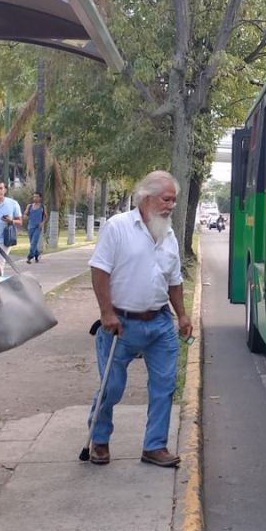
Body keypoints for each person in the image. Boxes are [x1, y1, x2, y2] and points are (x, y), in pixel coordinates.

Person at [85, 171, 193, 468]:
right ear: (146, 197)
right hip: (120, 324)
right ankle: (99, 439)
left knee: (164, 385)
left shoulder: (169, 234)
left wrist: (182, 315)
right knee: (112, 387)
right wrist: (106, 312)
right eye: (166, 199)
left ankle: (154, 446)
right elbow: (99, 270)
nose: (171, 206)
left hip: (160, 323)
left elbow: (174, 281)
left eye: (173, 200)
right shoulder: (117, 227)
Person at [24, 192, 47, 264]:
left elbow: (45, 216)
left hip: (38, 227)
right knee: (32, 243)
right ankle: (37, 254)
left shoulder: (42, 207)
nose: (35, 198)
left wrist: (42, 223)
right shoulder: (29, 206)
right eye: (34, 197)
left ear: (40, 198)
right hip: (30, 227)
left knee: (34, 242)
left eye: (37, 197)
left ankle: (29, 257)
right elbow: (25, 214)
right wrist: (25, 216)